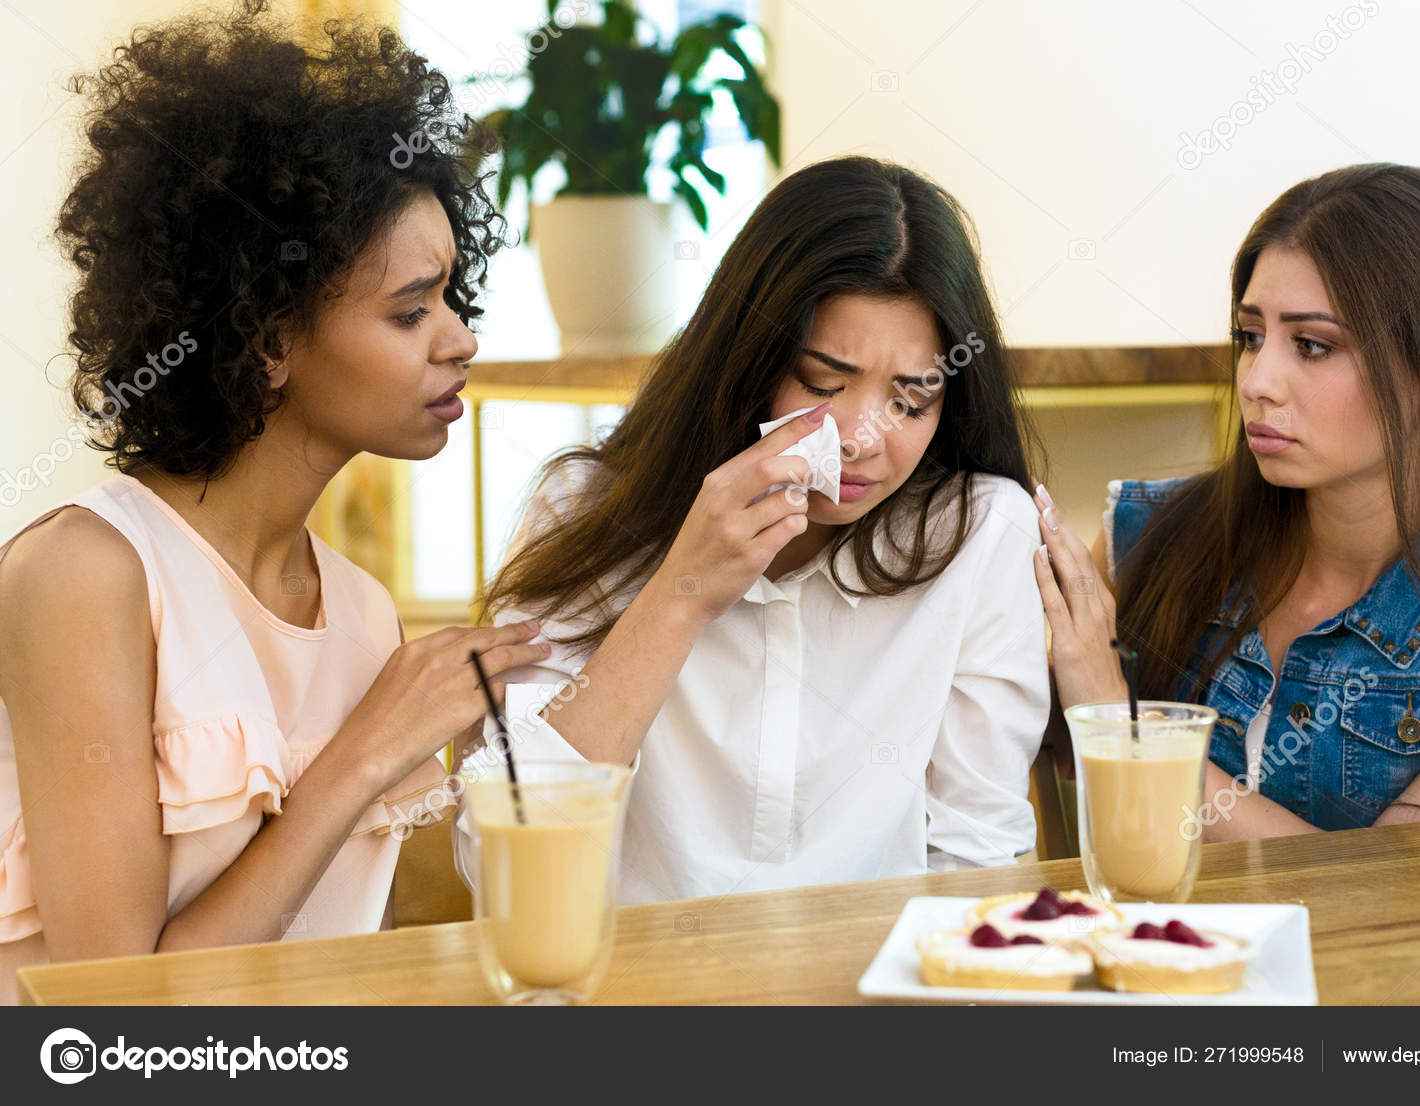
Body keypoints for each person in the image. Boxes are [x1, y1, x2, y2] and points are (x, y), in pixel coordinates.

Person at [0, 5, 544, 1003]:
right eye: (410, 310)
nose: (459, 339)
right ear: (267, 337)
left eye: (453, 298)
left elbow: (330, 976)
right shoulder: (84, 577)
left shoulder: (364, 613)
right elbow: (113, 1012)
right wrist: (370, 747)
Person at [455, 156, 1052, 902]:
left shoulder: (980, 533)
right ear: (747, 361)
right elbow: (511, 873)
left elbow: (981, 865)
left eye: (913, 398)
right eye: (825, 384)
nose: (864, 439)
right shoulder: (583, 508)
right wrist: (680, 594)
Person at [1032, 163, 1420, 837]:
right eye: (1250, 337)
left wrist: (1121, 727)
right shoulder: (1141, 537)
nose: (1258, 380)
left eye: (1312, 345)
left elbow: (1378, 898)